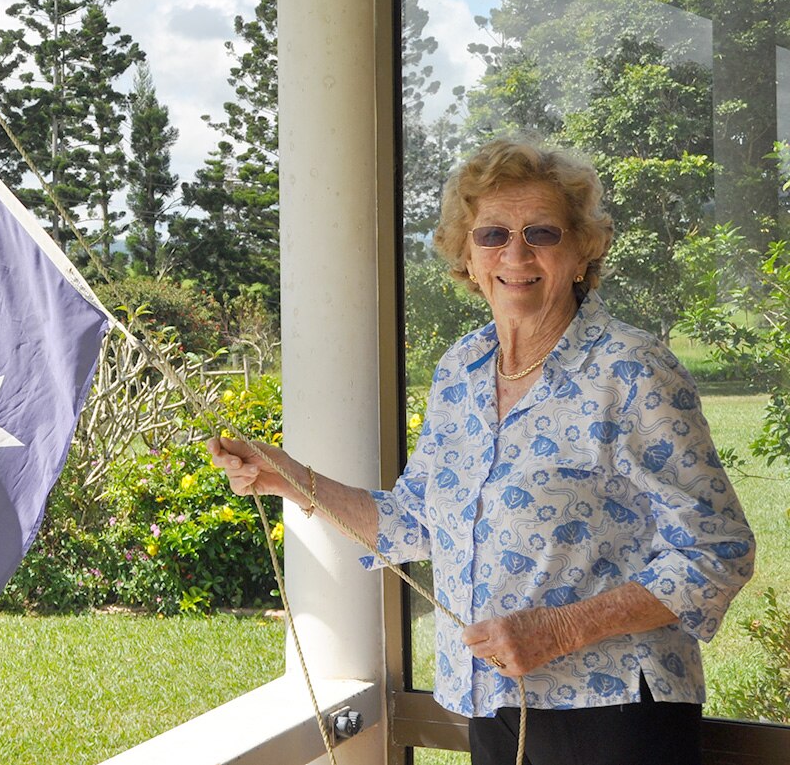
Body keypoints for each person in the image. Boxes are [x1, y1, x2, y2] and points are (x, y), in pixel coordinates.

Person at [208, 137, 755, 765]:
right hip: (494, 701)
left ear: (583, 250)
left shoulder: (631, 370)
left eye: (542, 233)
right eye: (492, 234)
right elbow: (415, 521)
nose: (515, 254)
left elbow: (719, 550)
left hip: (613, 711)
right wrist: (287, 477)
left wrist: (560, 630)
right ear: (467, 257)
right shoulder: (461, 369)